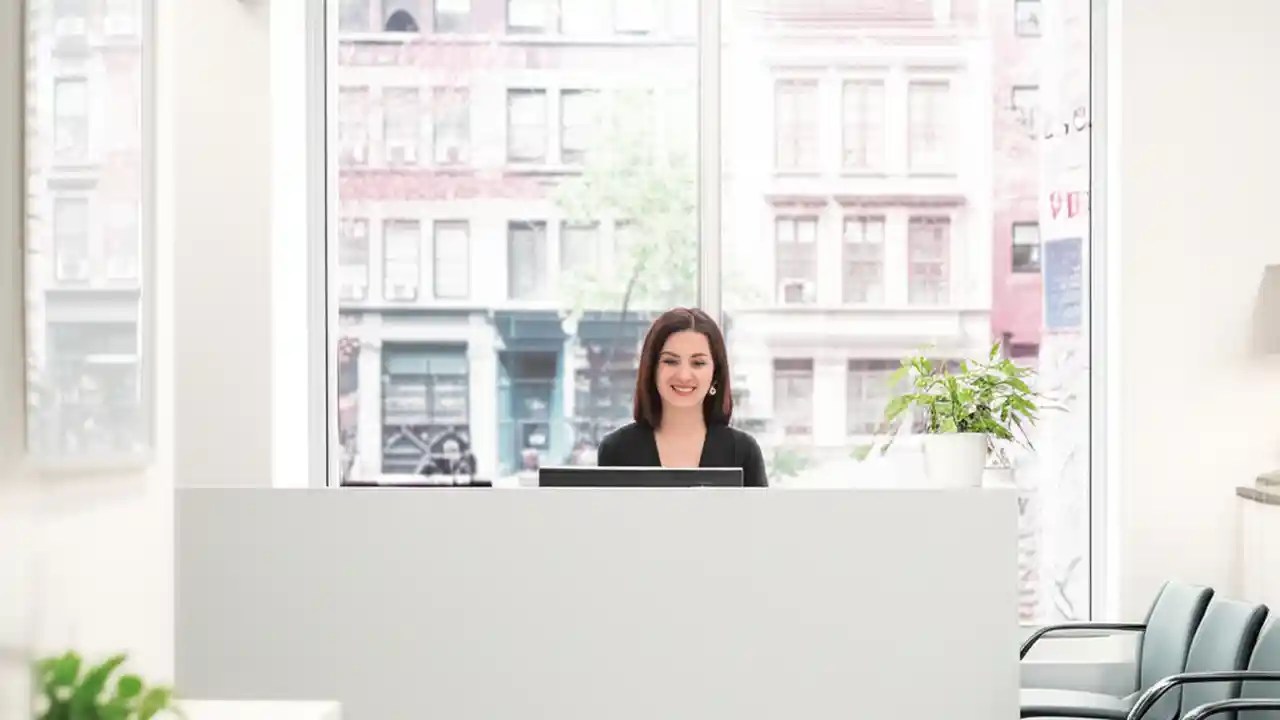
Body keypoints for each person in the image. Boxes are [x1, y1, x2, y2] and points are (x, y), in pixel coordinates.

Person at [597, 307, 768, 487]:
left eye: (698, 363)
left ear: (715, 373)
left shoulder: (743, 451)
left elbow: (760, 515)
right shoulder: (617, 449)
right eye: (670, 361)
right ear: (652, 369)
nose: (684, 375)